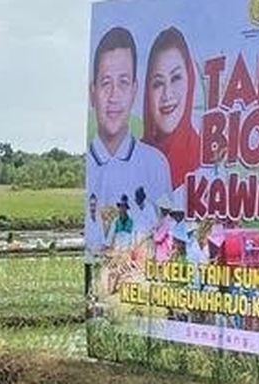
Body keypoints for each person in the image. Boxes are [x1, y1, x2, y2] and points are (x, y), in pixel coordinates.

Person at [87, 26, 170, 242]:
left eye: (123, 83)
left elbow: (166, 228)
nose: (114, 96)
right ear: (93, 92)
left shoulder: (155, 163)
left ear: (134, 90)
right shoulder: (84, 164)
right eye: (106, 83)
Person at [142, 27, 201, 199]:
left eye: (175, 78)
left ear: (190, 82)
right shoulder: (135, 161)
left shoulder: (207, 160)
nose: (167, 95)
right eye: (158, 83)